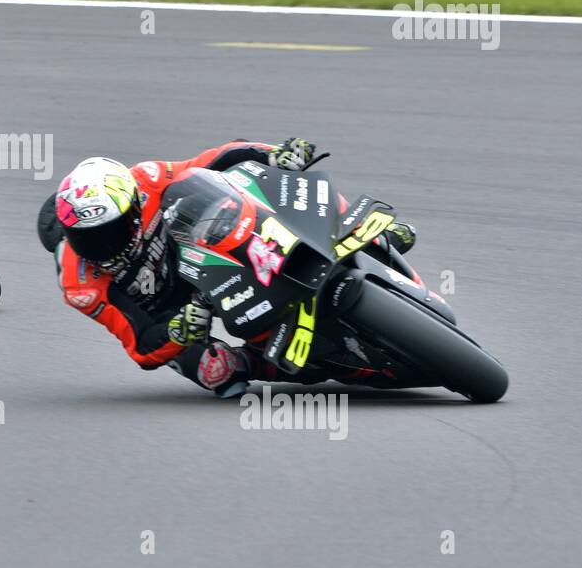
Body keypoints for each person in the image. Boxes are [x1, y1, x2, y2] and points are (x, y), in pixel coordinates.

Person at [38, 140, 417, 397]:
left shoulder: (147, 179)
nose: (100, 247)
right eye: (85, 238)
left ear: (133, 205)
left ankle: (364, 237)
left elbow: (214, 160)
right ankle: (262, 361)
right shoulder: (80, 284)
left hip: (197, 249)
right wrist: (177, 331)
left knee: (259, 189)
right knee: (216, 372)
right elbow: (138, 343)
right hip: (175, 308)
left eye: (110, 231)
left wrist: (274, 154)